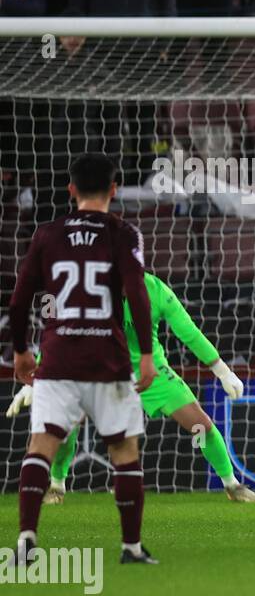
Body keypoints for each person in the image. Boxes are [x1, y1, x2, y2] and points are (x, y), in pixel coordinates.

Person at [7, 153, 160, 565]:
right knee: (124, 451)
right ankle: (130, 548)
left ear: (71, 190)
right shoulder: (124, 233)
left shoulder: (46, 234)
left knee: (40, 446)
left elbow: (20, 301)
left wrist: (22, 351)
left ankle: (26, 541)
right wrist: (146, 353)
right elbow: (137, 293)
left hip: (57, 360)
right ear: (114, 189)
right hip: (107, 360)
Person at [6, 270, 255, 503]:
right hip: (95, 368)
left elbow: (190, 333)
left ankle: (232, 485)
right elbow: (60, 335)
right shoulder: (87, 290)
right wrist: (37, 380)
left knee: (200, 426)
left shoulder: (156, 290)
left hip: (148, 370)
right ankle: (57, 485)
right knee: (63, 428)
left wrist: (222, 371)